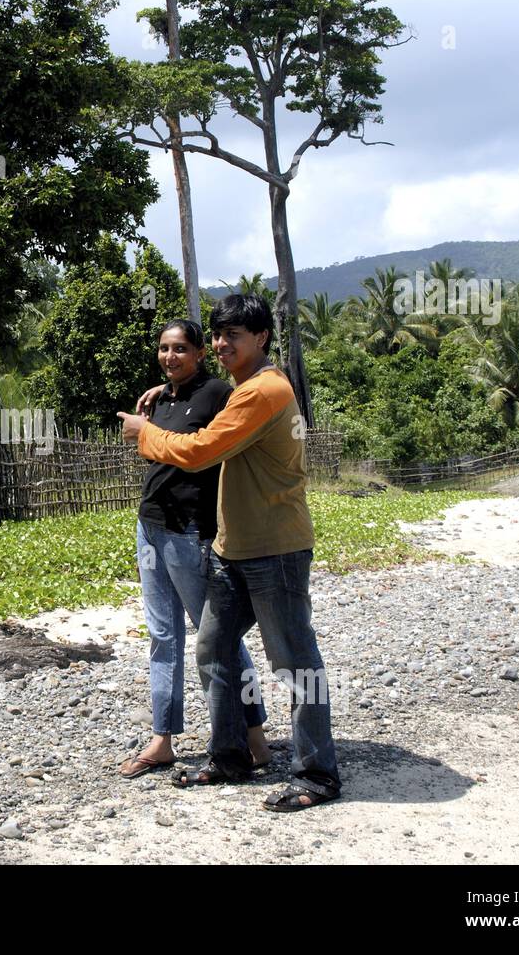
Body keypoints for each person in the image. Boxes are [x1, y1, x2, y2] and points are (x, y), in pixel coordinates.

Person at [118, 295, 342, 811]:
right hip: (232, 547)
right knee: (214, 647)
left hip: (274, 548)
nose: (221, 344)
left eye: (232, 335)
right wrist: (170, 391)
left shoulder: (262, 391)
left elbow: (199, 451)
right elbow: (208, 409)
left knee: (294, 661)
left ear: (261, 337)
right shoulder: (246, 387)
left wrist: (144, 432)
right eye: (217, 335)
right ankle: (231, 755)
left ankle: (317, 775)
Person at [119, 319, 270, 780]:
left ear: (202, 353)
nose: (171, 357)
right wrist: (157, 399)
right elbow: (159, 448)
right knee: (162, 637)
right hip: (151, 527)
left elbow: (203, 449)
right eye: (164, 349)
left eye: (181, 349)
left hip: (191, 532)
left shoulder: (220, 395)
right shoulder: (162, 398)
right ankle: (162, 738)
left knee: (218, 637)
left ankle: (253, 733)